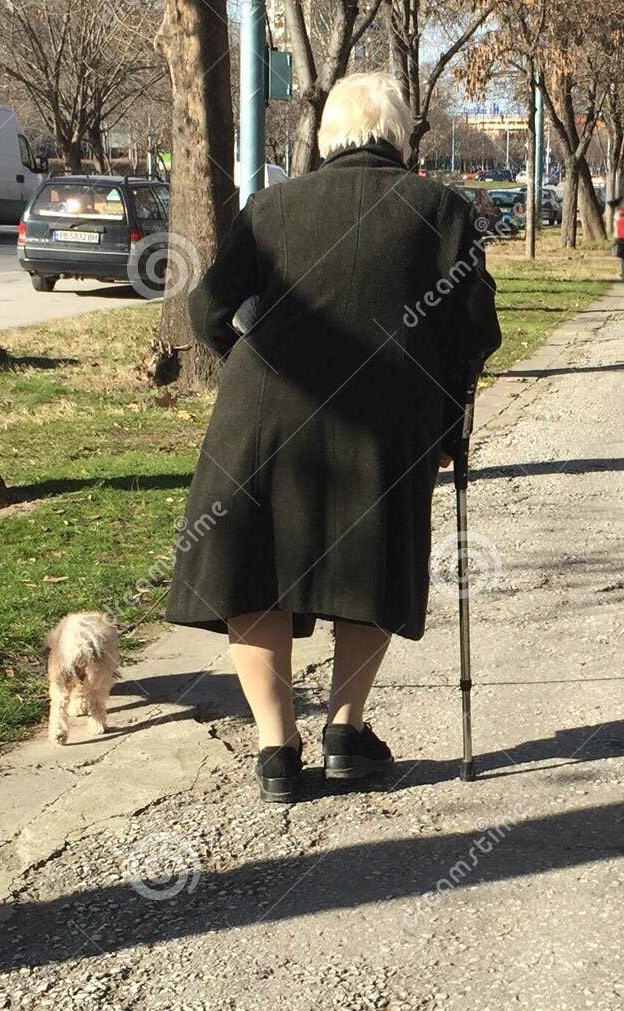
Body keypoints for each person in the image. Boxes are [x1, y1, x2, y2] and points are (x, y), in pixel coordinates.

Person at [166, 72, 502, 804]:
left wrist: (253, 363)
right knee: (369, 566)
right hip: (384, 421)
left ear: (326, 140)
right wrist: (449, 424)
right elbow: (476, 331)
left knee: (254, 569)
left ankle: (275, 751)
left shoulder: (272, 206)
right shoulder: (442, 210)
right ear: (400, 137)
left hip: (264, 415)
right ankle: (346, 733)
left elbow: (208, 309)